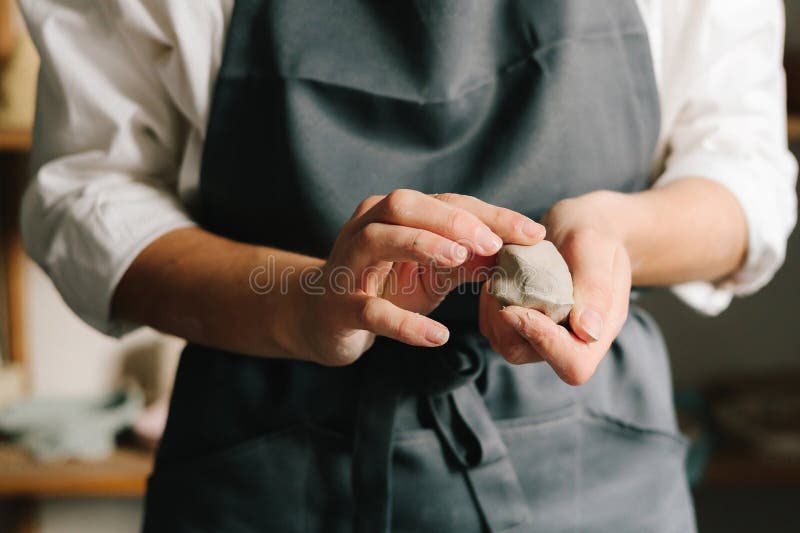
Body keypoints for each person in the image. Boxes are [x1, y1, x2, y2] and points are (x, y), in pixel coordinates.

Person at [20, 0, 797, 531]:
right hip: (266, 466)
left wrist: (614, 233)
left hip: (590, 465)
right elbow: (85, 191)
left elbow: (747, 171)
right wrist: (301, 301)